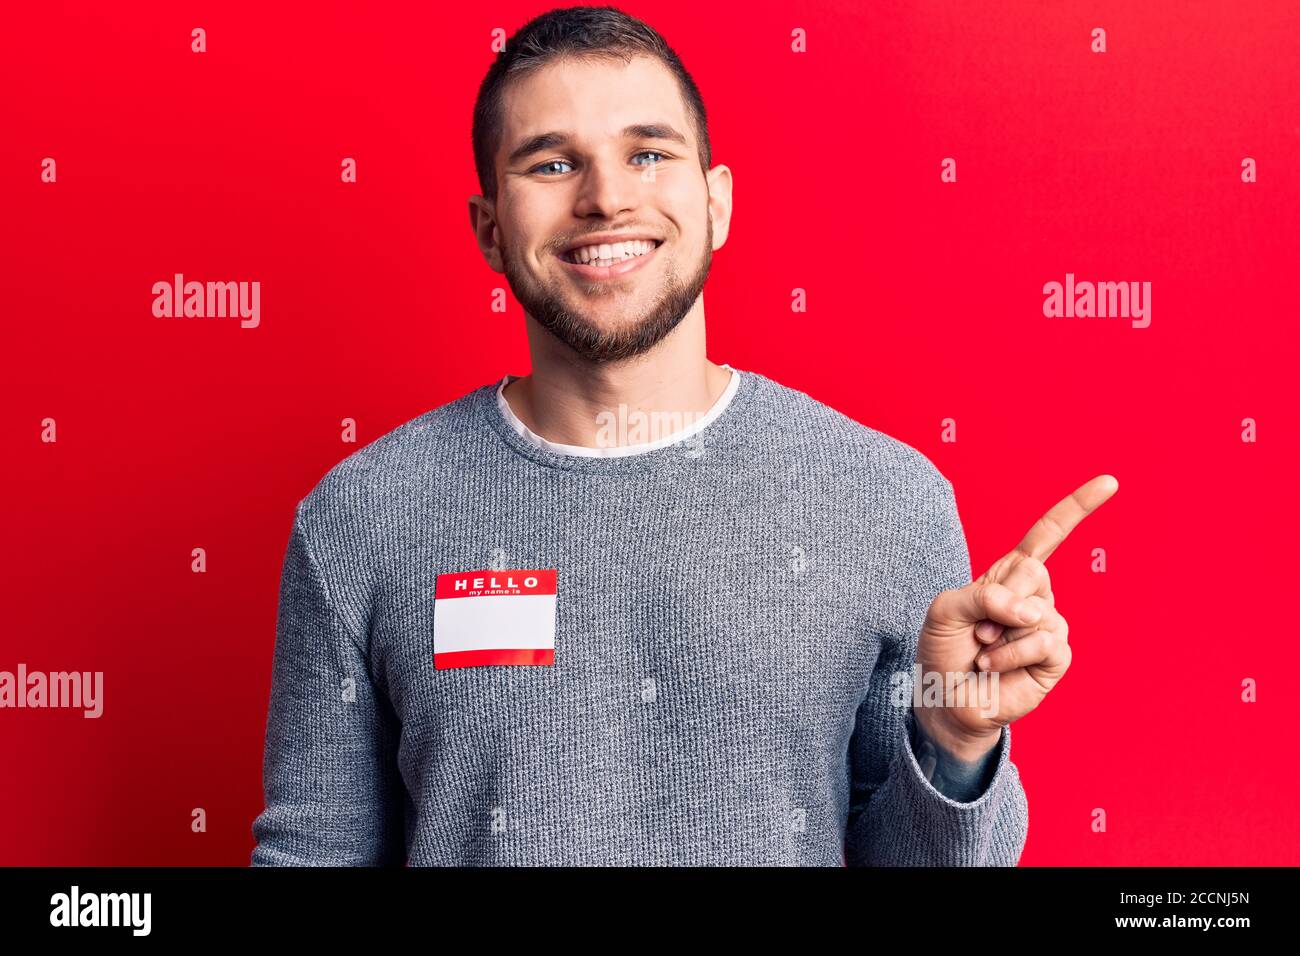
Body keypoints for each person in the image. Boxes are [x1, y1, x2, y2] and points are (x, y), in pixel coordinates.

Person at [250, 5, 1116, 866]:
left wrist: (955, 741)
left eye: (648, 153)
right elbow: (315, 851)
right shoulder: (364, 515)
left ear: (716, 203)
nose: (607, 197)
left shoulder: (885, 499)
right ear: (489, 230)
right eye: (552, 163)